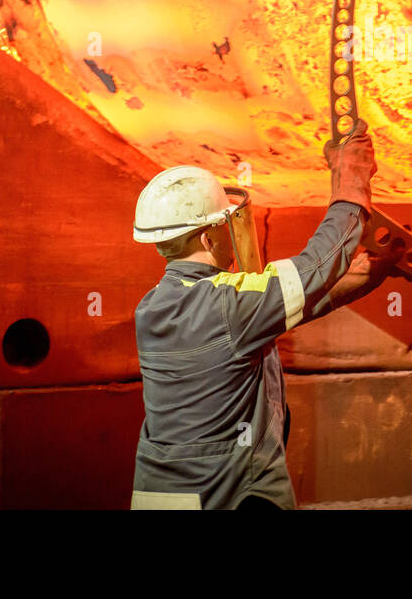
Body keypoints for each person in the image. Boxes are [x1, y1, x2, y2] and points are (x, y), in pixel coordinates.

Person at [129, 119, 386, 510]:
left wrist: (366, 275)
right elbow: (318, 263)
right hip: (230, 494)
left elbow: (286, 308)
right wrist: (351, 180)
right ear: (208, 236)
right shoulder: (227, 306)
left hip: (162, 497)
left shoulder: (153, 308)